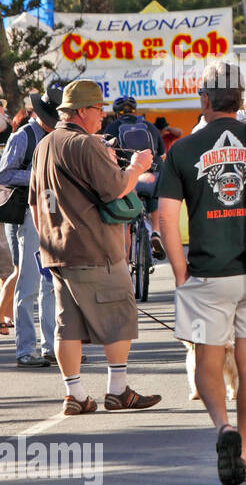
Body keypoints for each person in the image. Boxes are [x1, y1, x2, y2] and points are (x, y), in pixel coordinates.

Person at [157, 64, 246, 484]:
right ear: (240, 100)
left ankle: (224, 427)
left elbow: (165, 220)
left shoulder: (181, 150)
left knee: (208, 357)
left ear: (204, 101)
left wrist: (180, 275)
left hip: (207, 271)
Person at [29, 79, 162, 417]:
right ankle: (118, 391)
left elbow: (33, 202)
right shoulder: (84, 144)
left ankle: (74, 394)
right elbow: (116, 188)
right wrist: (137, 167)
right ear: (82, 111)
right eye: (99, 108)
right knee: (119, 315)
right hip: (93, 247)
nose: (103, 115)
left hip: (55, 247)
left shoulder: (45, 144)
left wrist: (48, 239)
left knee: (67, 325)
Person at [2, 88, 57, 367]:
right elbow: (3, 173)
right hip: (27, 215)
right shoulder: (22, 136)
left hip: (51, 213)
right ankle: (26, 349)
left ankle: (51, 346)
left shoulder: (52, 135)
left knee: (50, 283)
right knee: (29, 283)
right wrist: (38, 175)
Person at [102, 95, 166, 260]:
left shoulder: (112, 127)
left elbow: (107, 156)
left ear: (117, 114)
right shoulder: (149, 126)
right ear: (135, 111)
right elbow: (162, 155)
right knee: (153, 195)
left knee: (128, 218)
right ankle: (156, 233)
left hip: (129, 179)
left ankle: (126, 258)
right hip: (151, 176)